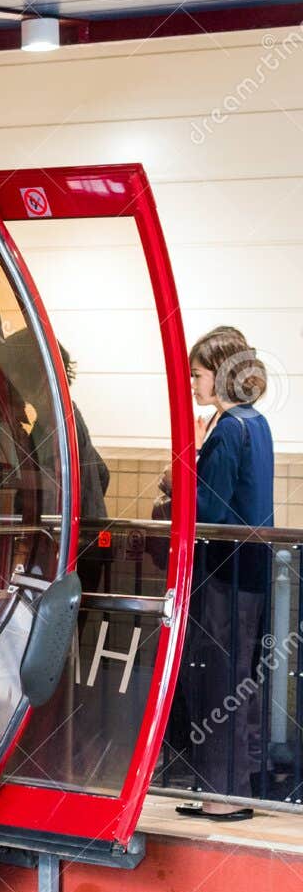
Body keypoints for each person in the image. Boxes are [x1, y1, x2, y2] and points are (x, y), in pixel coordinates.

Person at [172, 326, 274, 819]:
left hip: (224, 573)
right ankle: (236, 788)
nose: (193, 384)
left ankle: (219, 796)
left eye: (197, 375)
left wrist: (187, 457)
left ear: (220, 374)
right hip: (251, 572)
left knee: (216, 683)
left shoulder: (227, 430)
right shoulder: (257, 423)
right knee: (239, 682)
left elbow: (207, 509)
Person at [0, 330, 108, 584]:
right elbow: (102, 474)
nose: (10, 381)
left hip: (62, 559)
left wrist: (25, 551)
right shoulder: (55, 422)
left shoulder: (57, 425)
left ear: (36, 376)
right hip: (65, 554)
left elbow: (50, 495)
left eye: (14, 373)